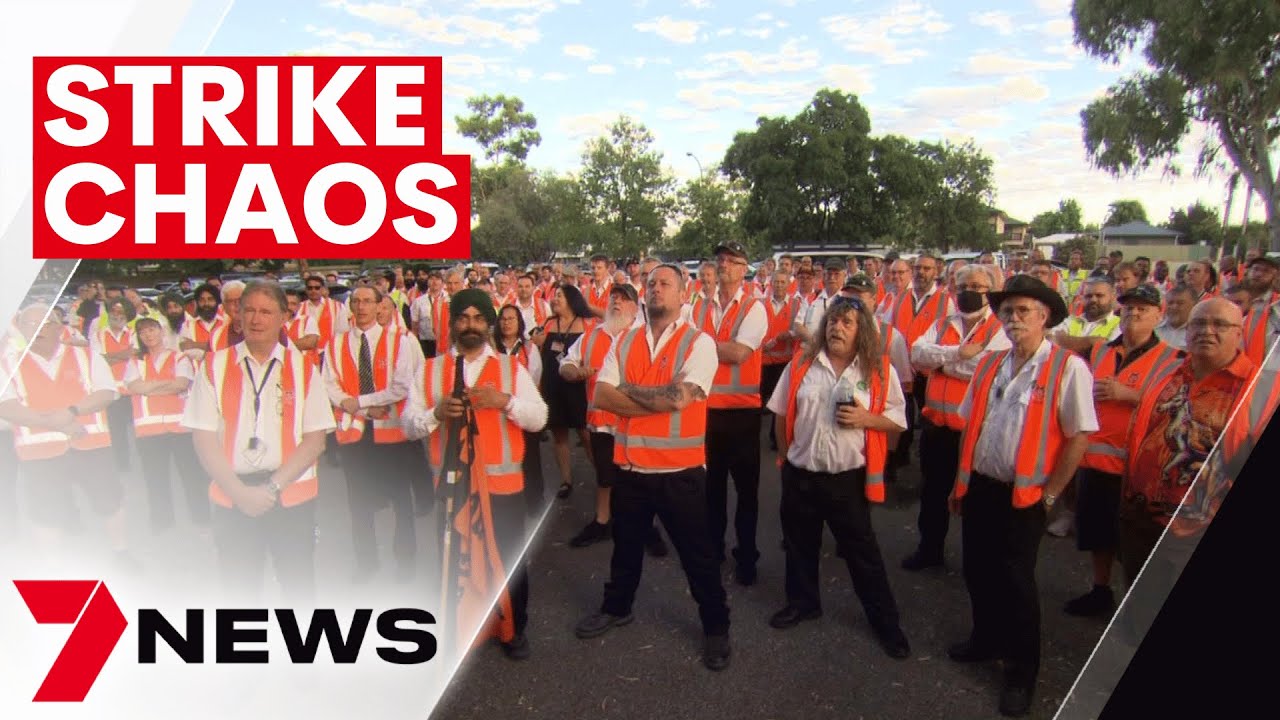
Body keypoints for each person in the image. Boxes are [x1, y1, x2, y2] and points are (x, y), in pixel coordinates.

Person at [946, 275, 1098, 718]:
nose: (1013, 319)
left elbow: (1079, 436)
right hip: (983, 488)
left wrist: (1050, 497)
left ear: (1045, 317)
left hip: (1026, 497)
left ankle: (1021, 670)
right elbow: (969, 426)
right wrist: (962, 484)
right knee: (977, 569)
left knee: (1016, 582)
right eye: (1007, 311)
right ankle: (984, 639)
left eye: (1023, 311)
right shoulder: (992, 364)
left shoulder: (1068, 368)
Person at [574, 263, 731, 672]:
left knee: (699, 557)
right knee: (625, 551)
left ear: (683, 294)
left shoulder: (700, 343)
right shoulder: (624, 341)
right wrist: (649, 398)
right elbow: (603, 397)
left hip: (680, 473)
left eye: (665, 283)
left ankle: (716, 627)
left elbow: (679, 399)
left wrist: (629, 391)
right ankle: (616, 607)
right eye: (651, 284)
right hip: (631, 471)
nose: (656, 289)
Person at [402, 289, 548, 660]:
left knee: (508, 559)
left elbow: (539, 418)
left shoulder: (510, 368)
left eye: (478, 318)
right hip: (453, 488)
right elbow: (408, 425)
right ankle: (464, 628)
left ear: (489, 323)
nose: (471, 325)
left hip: (502, 486)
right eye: (463, 318)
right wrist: (436, 414)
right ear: (452, 324)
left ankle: (514, 629)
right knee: (457, 560)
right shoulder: (431, 369)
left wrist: (506, 402)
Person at [765, 295, 912, 659]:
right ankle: (803, 603)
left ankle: (886, 623)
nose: (837, 328)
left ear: (862, 331)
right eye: (832, 321)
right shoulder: (801, 362)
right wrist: (787, 456)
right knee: (799, 545)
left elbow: (898, 420)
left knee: (864, 555)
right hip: (801, 476)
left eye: (847, 323)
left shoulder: (878, 369)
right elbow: (781, 415)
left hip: (846, 481)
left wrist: (867, 420)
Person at [183, 280, 335, 603]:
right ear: (236, 315)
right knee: (239, 588)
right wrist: (238, 491)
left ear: (283, 317)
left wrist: (271, 488)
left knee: (298, 585)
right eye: (248, 309)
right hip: (232, 494)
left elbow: (315, 440)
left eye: (266, 312)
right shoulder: (213, 366)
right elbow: (203, 438)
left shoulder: (305, 368)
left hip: (290, 494)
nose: (255, 319)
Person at [1064, 285, 1182, 618]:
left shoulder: (1173, 358)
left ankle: (1138, 606)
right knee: (1097, 533)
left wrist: (1130, 394)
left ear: (1159, 315)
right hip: (1096, 460)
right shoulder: (1101, 350)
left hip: (1139, 468)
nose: (1134, 314)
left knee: (1135, 542)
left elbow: (1179, 407)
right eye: (1128, 309)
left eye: (1143, 309)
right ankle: (1100, 591)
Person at [1121, 298, 1256, 584]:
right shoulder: (1168, 371)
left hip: (1195, 530)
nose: (1207, 330)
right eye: (1198, 323)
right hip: (1143, 517)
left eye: (1219, 324)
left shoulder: (1260, 389)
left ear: (1239, 333)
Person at [0, 304, 134, 567]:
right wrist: (61, 425)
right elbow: (8, 406)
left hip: (91, 445)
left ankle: (121, 552)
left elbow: (106, 393)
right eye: (29, 324)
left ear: (59, 326)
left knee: (110, 501)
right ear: (21, 330)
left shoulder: (87, 356)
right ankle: (53, 567)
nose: (38, 329)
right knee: (46, 513)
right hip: (39, 453)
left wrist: (72, 411)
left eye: (46, 323)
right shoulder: (8, 362)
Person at [904, 264, 1010, 570]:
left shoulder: (999, 328)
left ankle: (978, 563)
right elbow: (916, 353)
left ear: (989, 291)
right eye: (962, 287)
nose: (968, 293)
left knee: (975, 500)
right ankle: (930, 550)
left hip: (973, 433)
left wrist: (942, 362)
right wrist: (958, 354)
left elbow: (986, 369)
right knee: (932, 493)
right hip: (936, 426)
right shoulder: (943, 322)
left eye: (976, 287)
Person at [324, 286, 421, 584]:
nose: (362, 306)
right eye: (356, 301)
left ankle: (405, 559)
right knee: (359, 502)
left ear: (380, 306)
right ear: (350, 306)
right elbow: (328, 385)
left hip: (391, 436)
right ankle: (366, 563)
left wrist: (360, 402)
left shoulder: (399, 341)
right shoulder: (336, 343)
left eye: (368, 301)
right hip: (356, 434)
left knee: (401, 500)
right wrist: (363, 411)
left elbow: (401, 386)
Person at [560, 284, 667, 555]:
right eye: (614, 298)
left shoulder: (646, 338)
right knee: (605, 476)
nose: (617, 302)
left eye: (624, 299)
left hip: (633, 422)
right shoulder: (591, 335)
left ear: (635, 307)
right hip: (600, 422)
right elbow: (567, 363)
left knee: (641, 477)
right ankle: (602, 521)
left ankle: (647, 526)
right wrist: (572, 372)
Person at [692, 241, 769, 586]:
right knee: (712, 490)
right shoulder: (699, 307)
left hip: (741, 415)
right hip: (707, 413)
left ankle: (747, 556)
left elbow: (739, 353)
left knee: (746, 492)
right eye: (720, 259)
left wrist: (702, 345)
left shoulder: (755, 308)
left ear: (744, 268)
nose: (723, 265)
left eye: (731, 261)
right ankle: (713, 549)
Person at [126, 316, 208, 533]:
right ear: (139, 337)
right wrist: (166, 385)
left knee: (191, 475)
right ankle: (162, 521)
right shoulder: (135, 362)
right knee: (155, 478)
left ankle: (201, 517)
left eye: (152, 329)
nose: (148, 335)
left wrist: (150, 387)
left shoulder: (180, 358)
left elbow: (181, 384)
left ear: (161, 331)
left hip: (179, 427)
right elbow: (135, 386)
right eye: (143, 332)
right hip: (148, 429)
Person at [532, 282, 594, 500]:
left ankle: (601, 475)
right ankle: (566, 480)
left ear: (571, 299)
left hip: (578, 388)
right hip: (552, 385)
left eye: (559, 296)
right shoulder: (548, 324)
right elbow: (535, 352)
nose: (555, 299)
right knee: (559, 435)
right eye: (554, 296)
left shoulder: (586, 324)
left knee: (585, 434)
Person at [495, 304, 545, 517]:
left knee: (529, 459)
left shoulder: (529, 349)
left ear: (519, 323)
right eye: (503, 319)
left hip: (523, 412)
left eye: (511, 319)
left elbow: (535, 379)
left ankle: (534, 501)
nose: (507, 323)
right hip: (496, 415)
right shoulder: (490, 348)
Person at [92, 297, 137, 471]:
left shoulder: (134, 332)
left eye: (121, 311)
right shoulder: (98, 334)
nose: (117, 315)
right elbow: (97, 361)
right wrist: (124, 354)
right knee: (116, 434)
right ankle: (122, 468)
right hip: (112, 394)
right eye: (114, 311)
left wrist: (110, 357)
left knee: (139, 433)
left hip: (134, 391)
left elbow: (136, 354)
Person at [760, 271, 801, 450]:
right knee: (759, 401)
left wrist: (784, 336)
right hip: (762, 360)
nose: (779, 285)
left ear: (787, 284)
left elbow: (799, 328)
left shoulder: (795, 305)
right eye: (776, 282)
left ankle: (775, 438)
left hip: (783, 361)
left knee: (779, 403)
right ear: (771, 283)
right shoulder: (761, 304)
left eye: (782, 282)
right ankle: (753, 436)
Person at [1156, 284, 1195, 350]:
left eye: (1180, 303)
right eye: (1170, 303)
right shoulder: (1153, 329)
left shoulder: (1198, 333)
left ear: (1194, 306)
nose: (1174, 307)